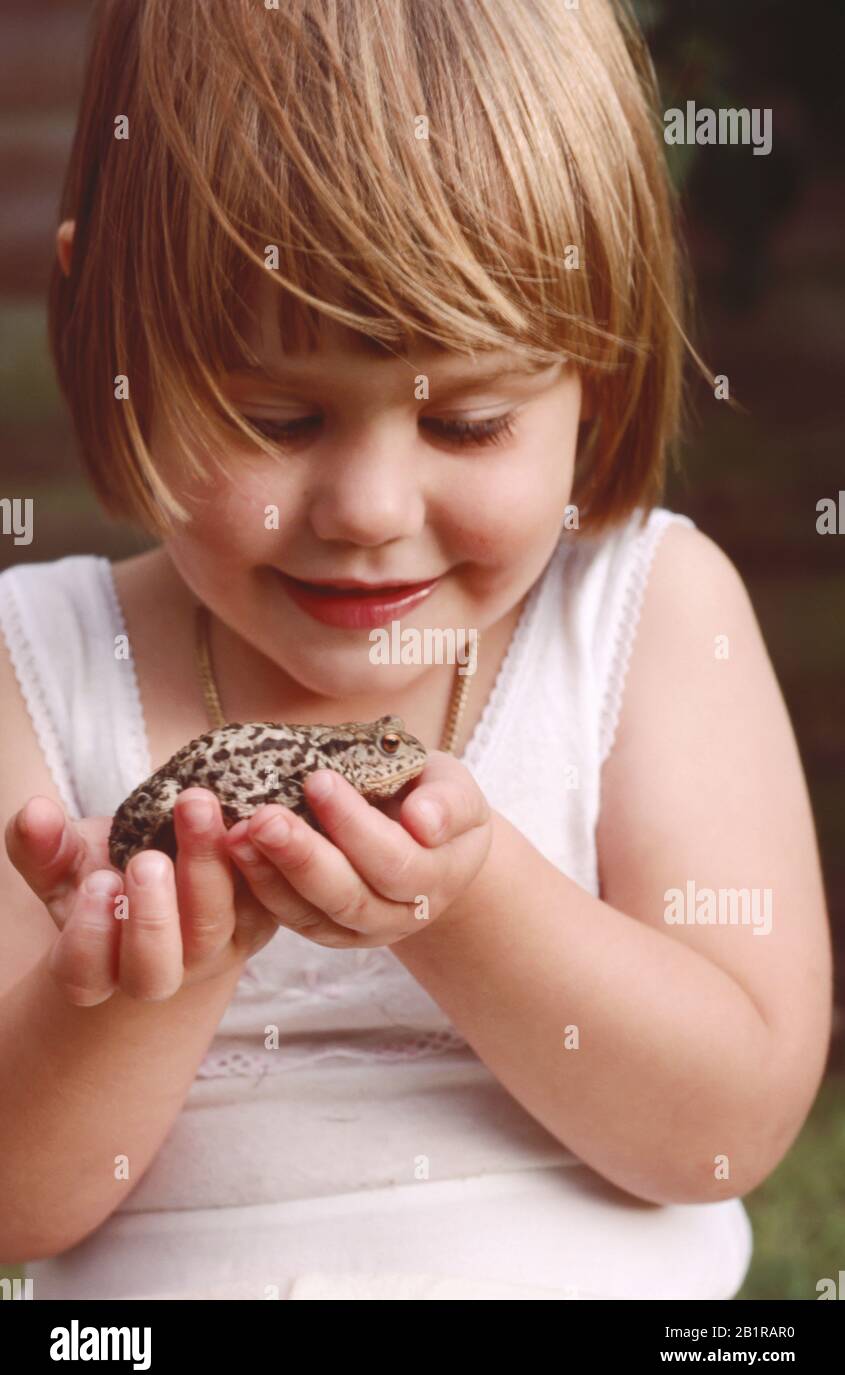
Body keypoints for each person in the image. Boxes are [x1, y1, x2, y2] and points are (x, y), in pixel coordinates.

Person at [0, 0, 831, 1300]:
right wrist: (157, 976)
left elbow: (721, 1126)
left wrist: (469, 899)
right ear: (111, 336)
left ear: (597, 375)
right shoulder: (34, 664)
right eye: (274, 415)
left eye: (470, 422)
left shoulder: (647, 612)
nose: (368, 510)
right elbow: (16, 1197)